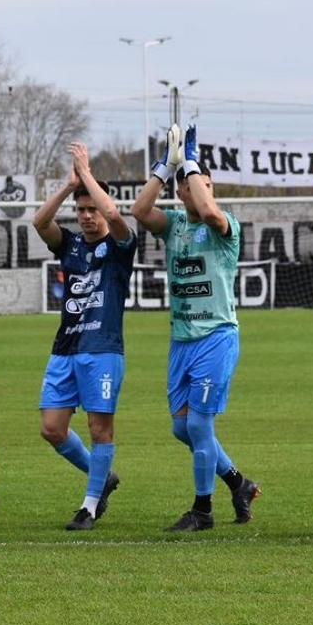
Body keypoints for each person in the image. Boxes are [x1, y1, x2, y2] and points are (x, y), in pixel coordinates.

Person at [132, 124, 261, 531]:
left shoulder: (224, 227)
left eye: (200, 182)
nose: (192, 187)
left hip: (217, 338)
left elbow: (207, 210)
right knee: (180, 427)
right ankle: (238, 483)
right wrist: (165, 166)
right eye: (187, 183)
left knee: (200, 425)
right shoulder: (173, 225)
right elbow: (138, 211)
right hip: (181, 340)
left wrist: (190, 163)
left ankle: (202, 510)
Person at [33, 143, 132, 531]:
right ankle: (102, 475)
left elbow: (114, 214)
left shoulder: (120, 246)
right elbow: (41, 223)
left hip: (103, 350)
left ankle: (89, 507)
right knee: (51, 428)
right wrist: (69, 185)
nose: (88, 216)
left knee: (99, 428)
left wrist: (88, 176)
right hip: (65, 349)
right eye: (82, 210)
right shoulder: (71, 244)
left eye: (92, 209)